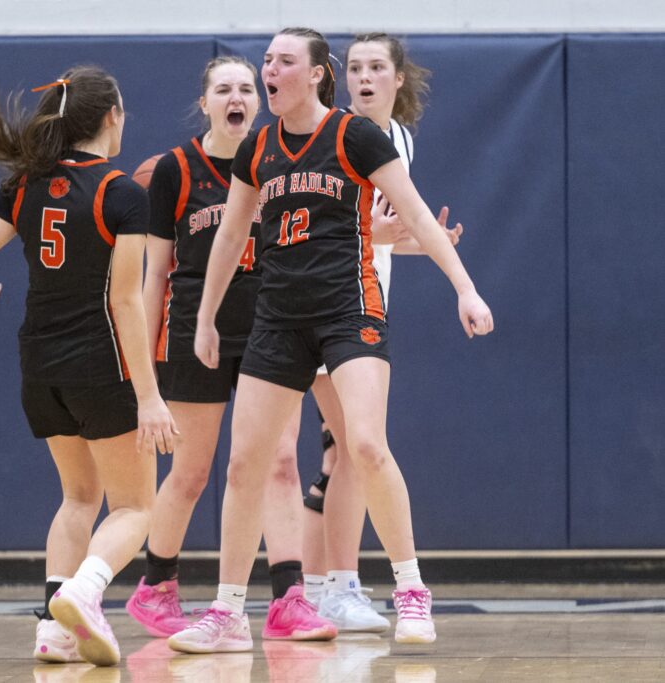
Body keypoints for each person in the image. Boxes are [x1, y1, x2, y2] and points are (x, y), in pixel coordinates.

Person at [168, 27, 493, 654]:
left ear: (316, 74)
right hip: (279, 317)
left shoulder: (355, 136)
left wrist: (465, 287)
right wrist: (205, 317)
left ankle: (411, 592)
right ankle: (229, 613)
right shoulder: (258, 147)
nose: (270, 69)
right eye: (267, 59)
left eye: (284, 61)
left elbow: (417, 214)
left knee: (366, 445)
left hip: (349, 309)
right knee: (244, 465)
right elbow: (232, 236)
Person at [0, 65, 176, 667]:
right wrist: (151, 396)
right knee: (134, 508)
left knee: (78, 498)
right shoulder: (122, 192)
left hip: (39, 364)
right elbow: (127, 301)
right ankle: (86, 590)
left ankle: (53, 632)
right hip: (100, 363)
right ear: (111, 116)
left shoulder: (24, 184)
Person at [127, 55, 336, 642]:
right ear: (206, 103)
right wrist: (143, 373)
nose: (238, 96)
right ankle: (156, 585)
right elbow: (154, 275)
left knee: (282, 461)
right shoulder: (172, 170)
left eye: (247, 87)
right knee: (192, 471)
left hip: (273, 326)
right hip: (196, 328)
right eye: (225, 88)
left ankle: (287, 598)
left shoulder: (275, 159)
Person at [302, 32, 463, 634]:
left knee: (348, 452)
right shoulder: (334, 135)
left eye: (376, 67)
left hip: (363, 304)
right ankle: (330, 586)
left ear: (399, 79)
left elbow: (380, 232)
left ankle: (327, 587)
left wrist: (429, 243)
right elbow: (350, 229)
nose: (364, 77)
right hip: (319, 305)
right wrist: (403, 235)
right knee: (346, 451)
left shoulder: (397, 139)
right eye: (356, 68)